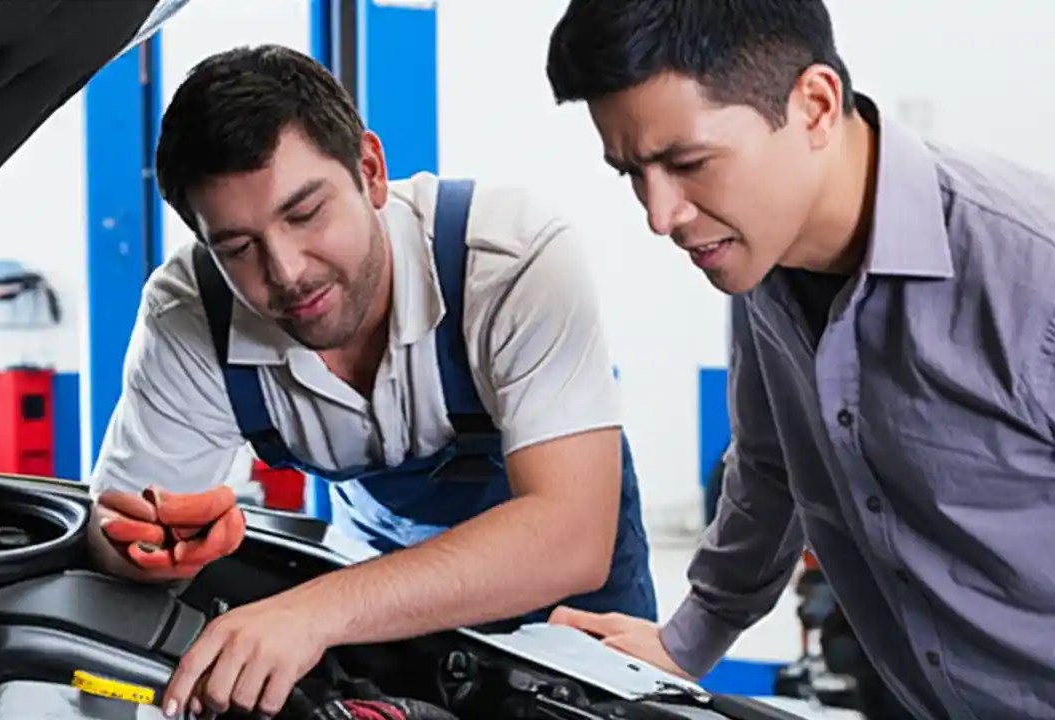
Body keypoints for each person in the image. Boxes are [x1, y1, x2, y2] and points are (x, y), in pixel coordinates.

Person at [86, 44, 658, 719]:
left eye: (305, 214)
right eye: (238, 248)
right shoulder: (190, 317)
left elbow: (570, 537)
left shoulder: (510, 263)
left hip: (566, 593)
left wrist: (313, 612)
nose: (287, 270)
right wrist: (154, 551)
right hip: (378, 581)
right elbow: (111, 531)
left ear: (370, 170)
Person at [541, 1, 1055, 719]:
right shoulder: (763, 261)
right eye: (633, 173)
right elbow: (771, 468)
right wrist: (686, 642)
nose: (661, 217)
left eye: (687, 163)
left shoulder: (1031, 275)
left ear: (814, 106)